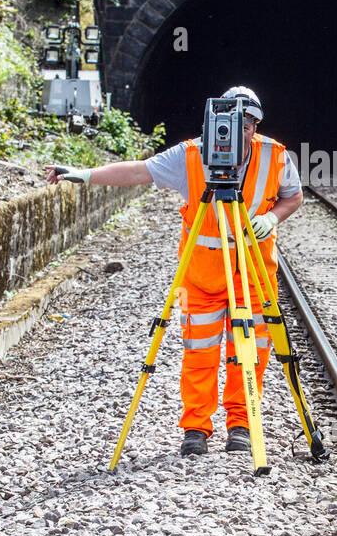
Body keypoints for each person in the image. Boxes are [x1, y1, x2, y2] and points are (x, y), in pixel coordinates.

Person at [45, 86, 303, 457]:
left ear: (256, 126)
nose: (239, 131)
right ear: (214, 119)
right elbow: (140, 171)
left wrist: (270, 217)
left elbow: (294, 196)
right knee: (199, 351)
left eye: (247, 124)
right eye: (230, 122)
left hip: (251, 273)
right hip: (202, 275)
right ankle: (196, 428)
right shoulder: (192, 154)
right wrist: (84, 174)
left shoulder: (275, 156)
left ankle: (241, 423)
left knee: (250, 352)